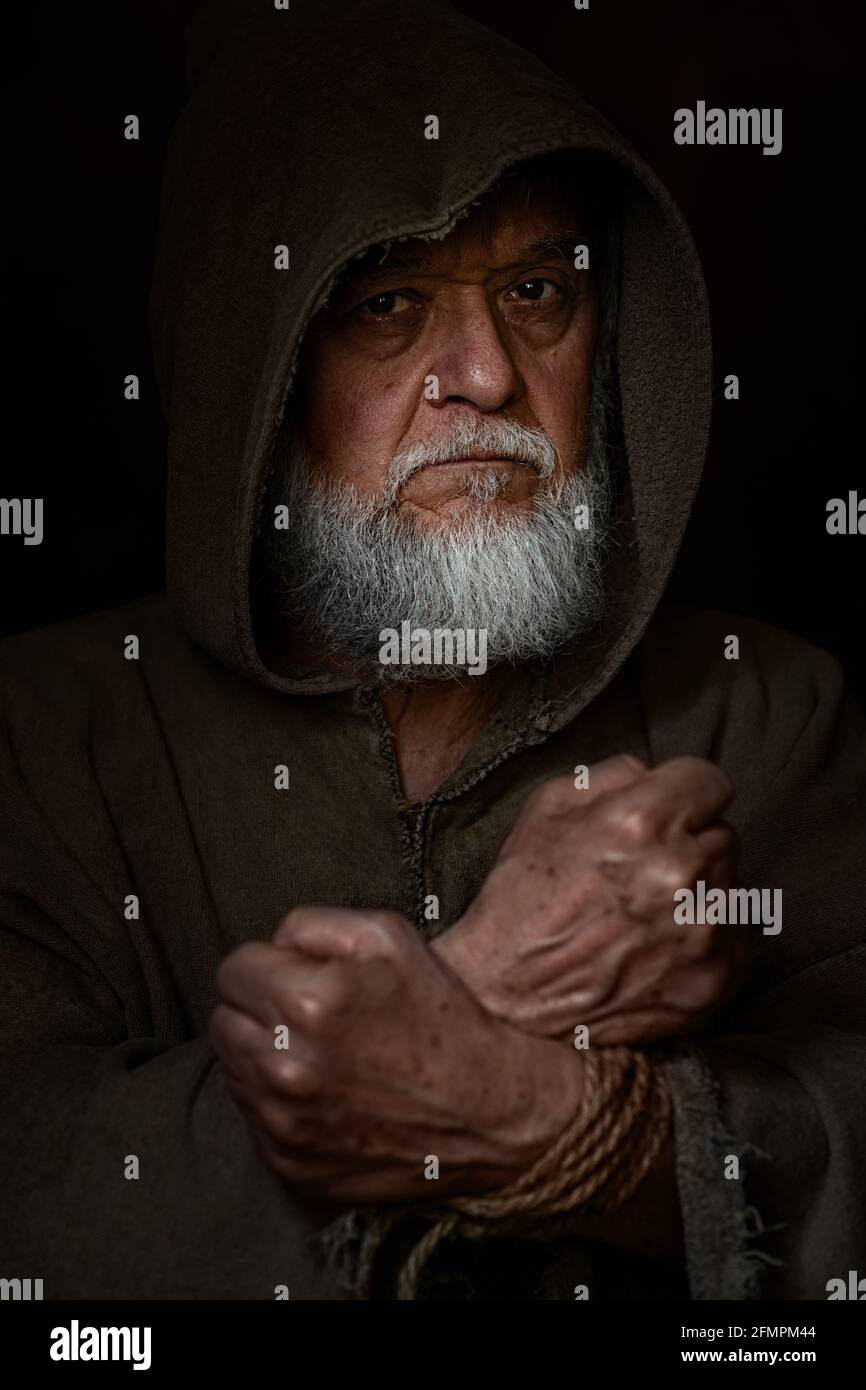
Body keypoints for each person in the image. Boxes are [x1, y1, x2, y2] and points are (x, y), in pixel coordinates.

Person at [0, 0, 862, 1301]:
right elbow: (35, 1184)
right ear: (256, 373)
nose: (487, 375)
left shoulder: (765, 707)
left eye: (535, 295)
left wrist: (588, 1137)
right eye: (387, 303)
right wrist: (483, 995)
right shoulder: (41, 731)